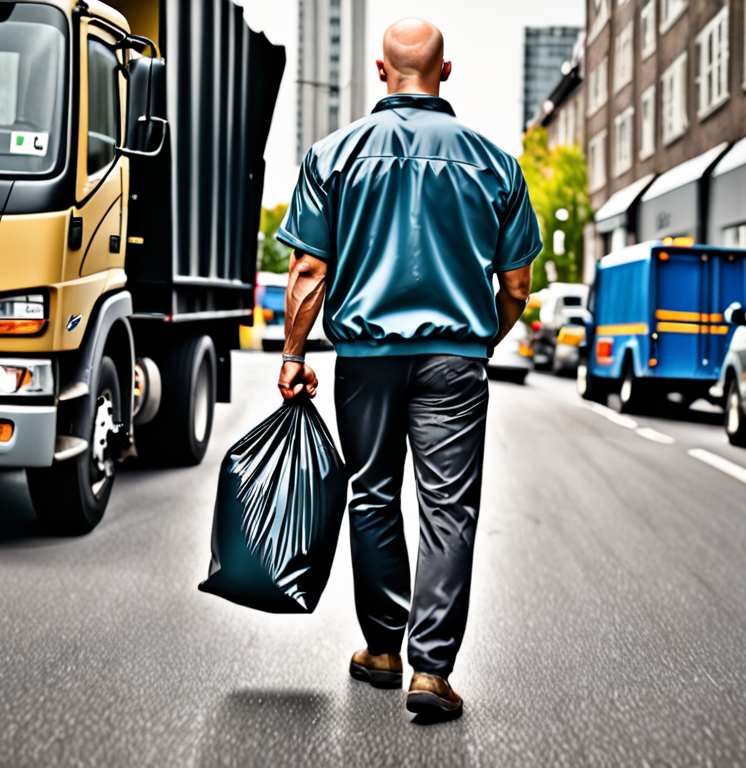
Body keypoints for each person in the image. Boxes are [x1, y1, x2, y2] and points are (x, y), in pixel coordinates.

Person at [274, 17, 541, 718]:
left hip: (365, 359)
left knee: (371, 493)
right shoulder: (495, 164)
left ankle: (383, 649)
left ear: (380, 70)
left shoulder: (333, 156)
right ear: (445, 73)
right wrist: (481, 341)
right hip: (456, 358)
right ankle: (432, 671)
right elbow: (516, 285)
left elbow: (307, 271)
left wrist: (294, 355)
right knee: (448, 509)